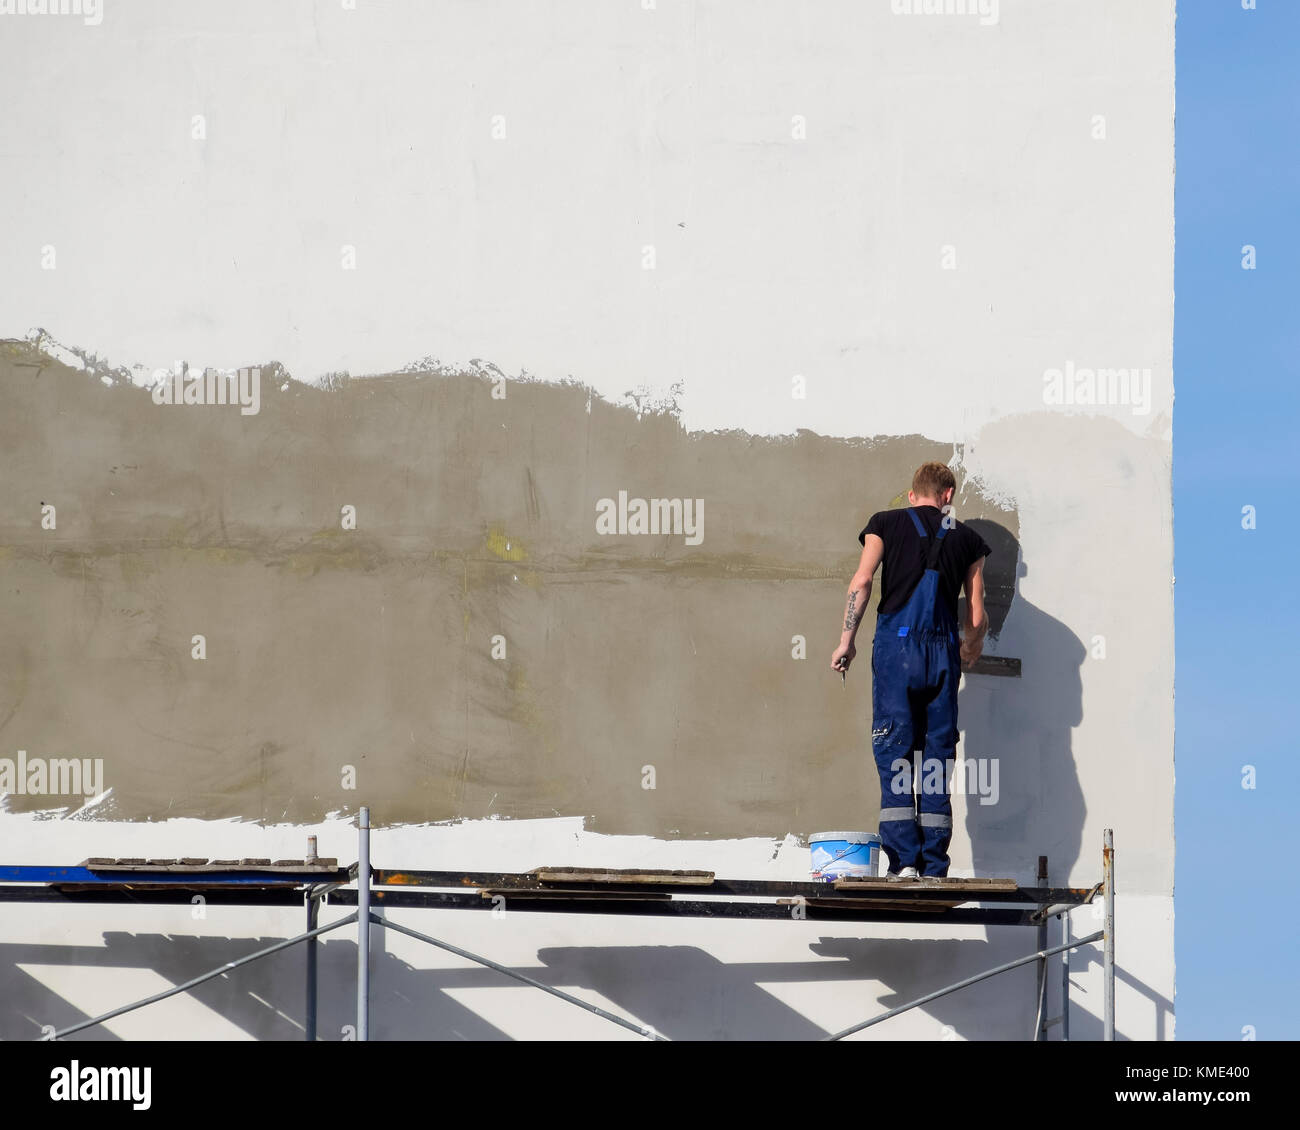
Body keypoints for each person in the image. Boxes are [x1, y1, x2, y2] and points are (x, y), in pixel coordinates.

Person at [830, 462, 991, 880]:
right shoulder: (970, 540)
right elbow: (975, 613)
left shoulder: (884, 522)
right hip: (942, 654)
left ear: (910, 495)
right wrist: (969, 648)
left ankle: (903, 863)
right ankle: (934, 865)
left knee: (895, 750)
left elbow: (862, 582)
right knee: (937, 757)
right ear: (948, 495)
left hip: (895, 650)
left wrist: (846, 641)